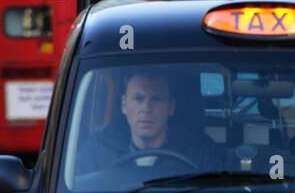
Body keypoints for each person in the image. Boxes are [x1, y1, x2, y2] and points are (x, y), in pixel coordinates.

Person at [75, 69, 222, 179]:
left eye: (156, 99)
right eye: (138, 99)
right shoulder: (96, 152)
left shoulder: (201, 154)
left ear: (170, 107)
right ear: (124, 105)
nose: (146, 109)